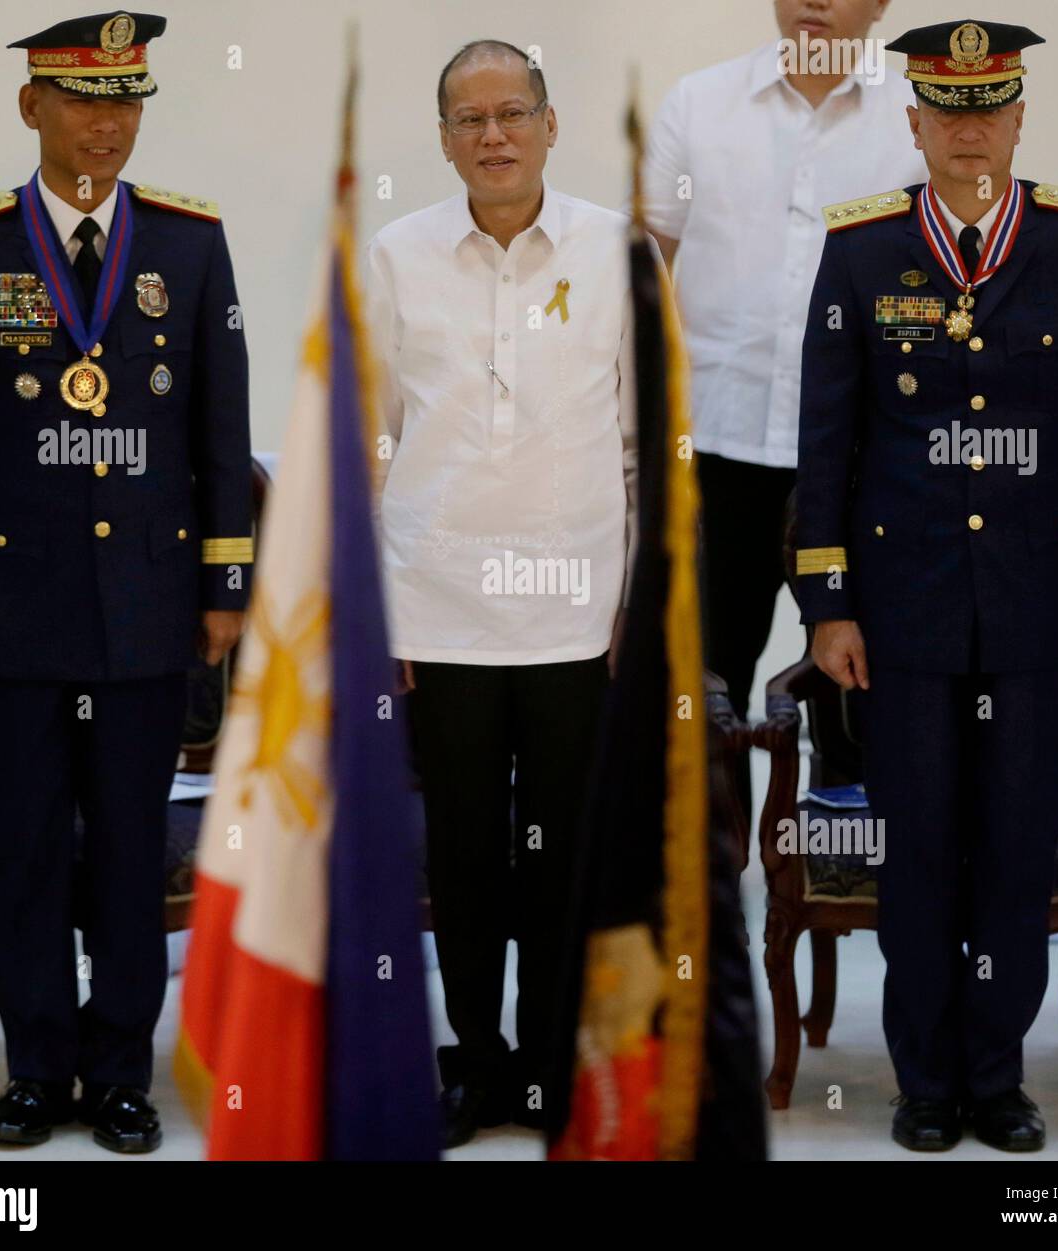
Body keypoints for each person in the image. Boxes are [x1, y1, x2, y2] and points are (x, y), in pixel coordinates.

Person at [0, 9, 254, 1152]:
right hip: (13, 610)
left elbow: (218, 431)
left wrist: (224, 586)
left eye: (127, 103)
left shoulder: (191, 244)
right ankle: (36, 1073)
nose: (108, 127)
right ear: (31, 108)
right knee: (32, 849)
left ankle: (120, 1076)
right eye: (86, 102)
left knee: (125, 848)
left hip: (148, 608)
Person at [796, 20, 1058, 1152]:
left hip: (1039, 606)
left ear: (1017, 116)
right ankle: (924, 1079)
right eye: (946, 111)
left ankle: (996, 1080)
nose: (967, 129)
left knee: (1009, 851)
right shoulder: (860, 250)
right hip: (901, 612)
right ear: (914, 123)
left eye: (988, 107)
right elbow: (828, 440)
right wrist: (828, 605)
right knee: (918, 852)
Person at [366, 39, 637, 1147]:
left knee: (564, 860)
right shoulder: (395, 254)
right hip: (439, 609)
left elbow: (638, 443)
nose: (492, 136)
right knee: (466, 860)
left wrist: (629, 600)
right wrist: (380, 607)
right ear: (441, 140)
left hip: (578, 611)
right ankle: (475, 1062)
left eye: (511, 114)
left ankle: (551, 1067)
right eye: (468, 120)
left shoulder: (616, 253)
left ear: (549, 124)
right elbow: (371, 437)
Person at [640, 0, 924, 816]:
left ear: (878, 5)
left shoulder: (914, 116)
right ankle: (707, 863)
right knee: (707, 670)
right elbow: (647, 258)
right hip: (717, 443)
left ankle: (849, 862)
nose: (815, 3)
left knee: (854, 669)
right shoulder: (700, 103)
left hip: (864, 456)